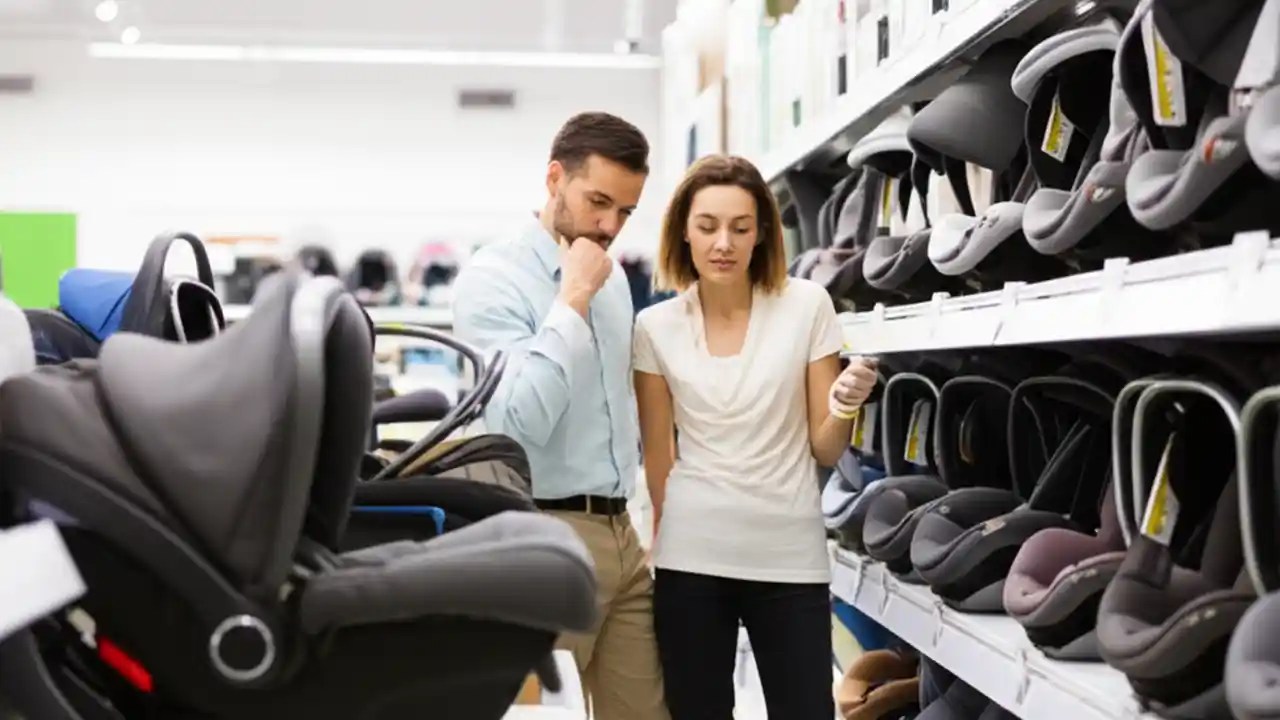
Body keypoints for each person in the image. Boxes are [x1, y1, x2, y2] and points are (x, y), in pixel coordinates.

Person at [632, 154, 877, 719]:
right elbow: (658, 458)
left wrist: (844, 403)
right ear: (683, 233)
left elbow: (825, 448)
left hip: (789, 559)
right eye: (708, 226)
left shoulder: (806, 306)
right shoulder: (656, 328)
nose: (724, 243)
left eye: (740, 228)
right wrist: (664, 545)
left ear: (762, 232)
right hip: (691, 559)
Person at [451, 111, 668, 720]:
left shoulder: (616, 283)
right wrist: (570, 298)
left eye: (625, 212)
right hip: (542, 536)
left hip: (622, 537)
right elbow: (518, 426)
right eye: (598, 201)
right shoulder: (493, 282)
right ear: (554, 178)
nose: (609, 226)